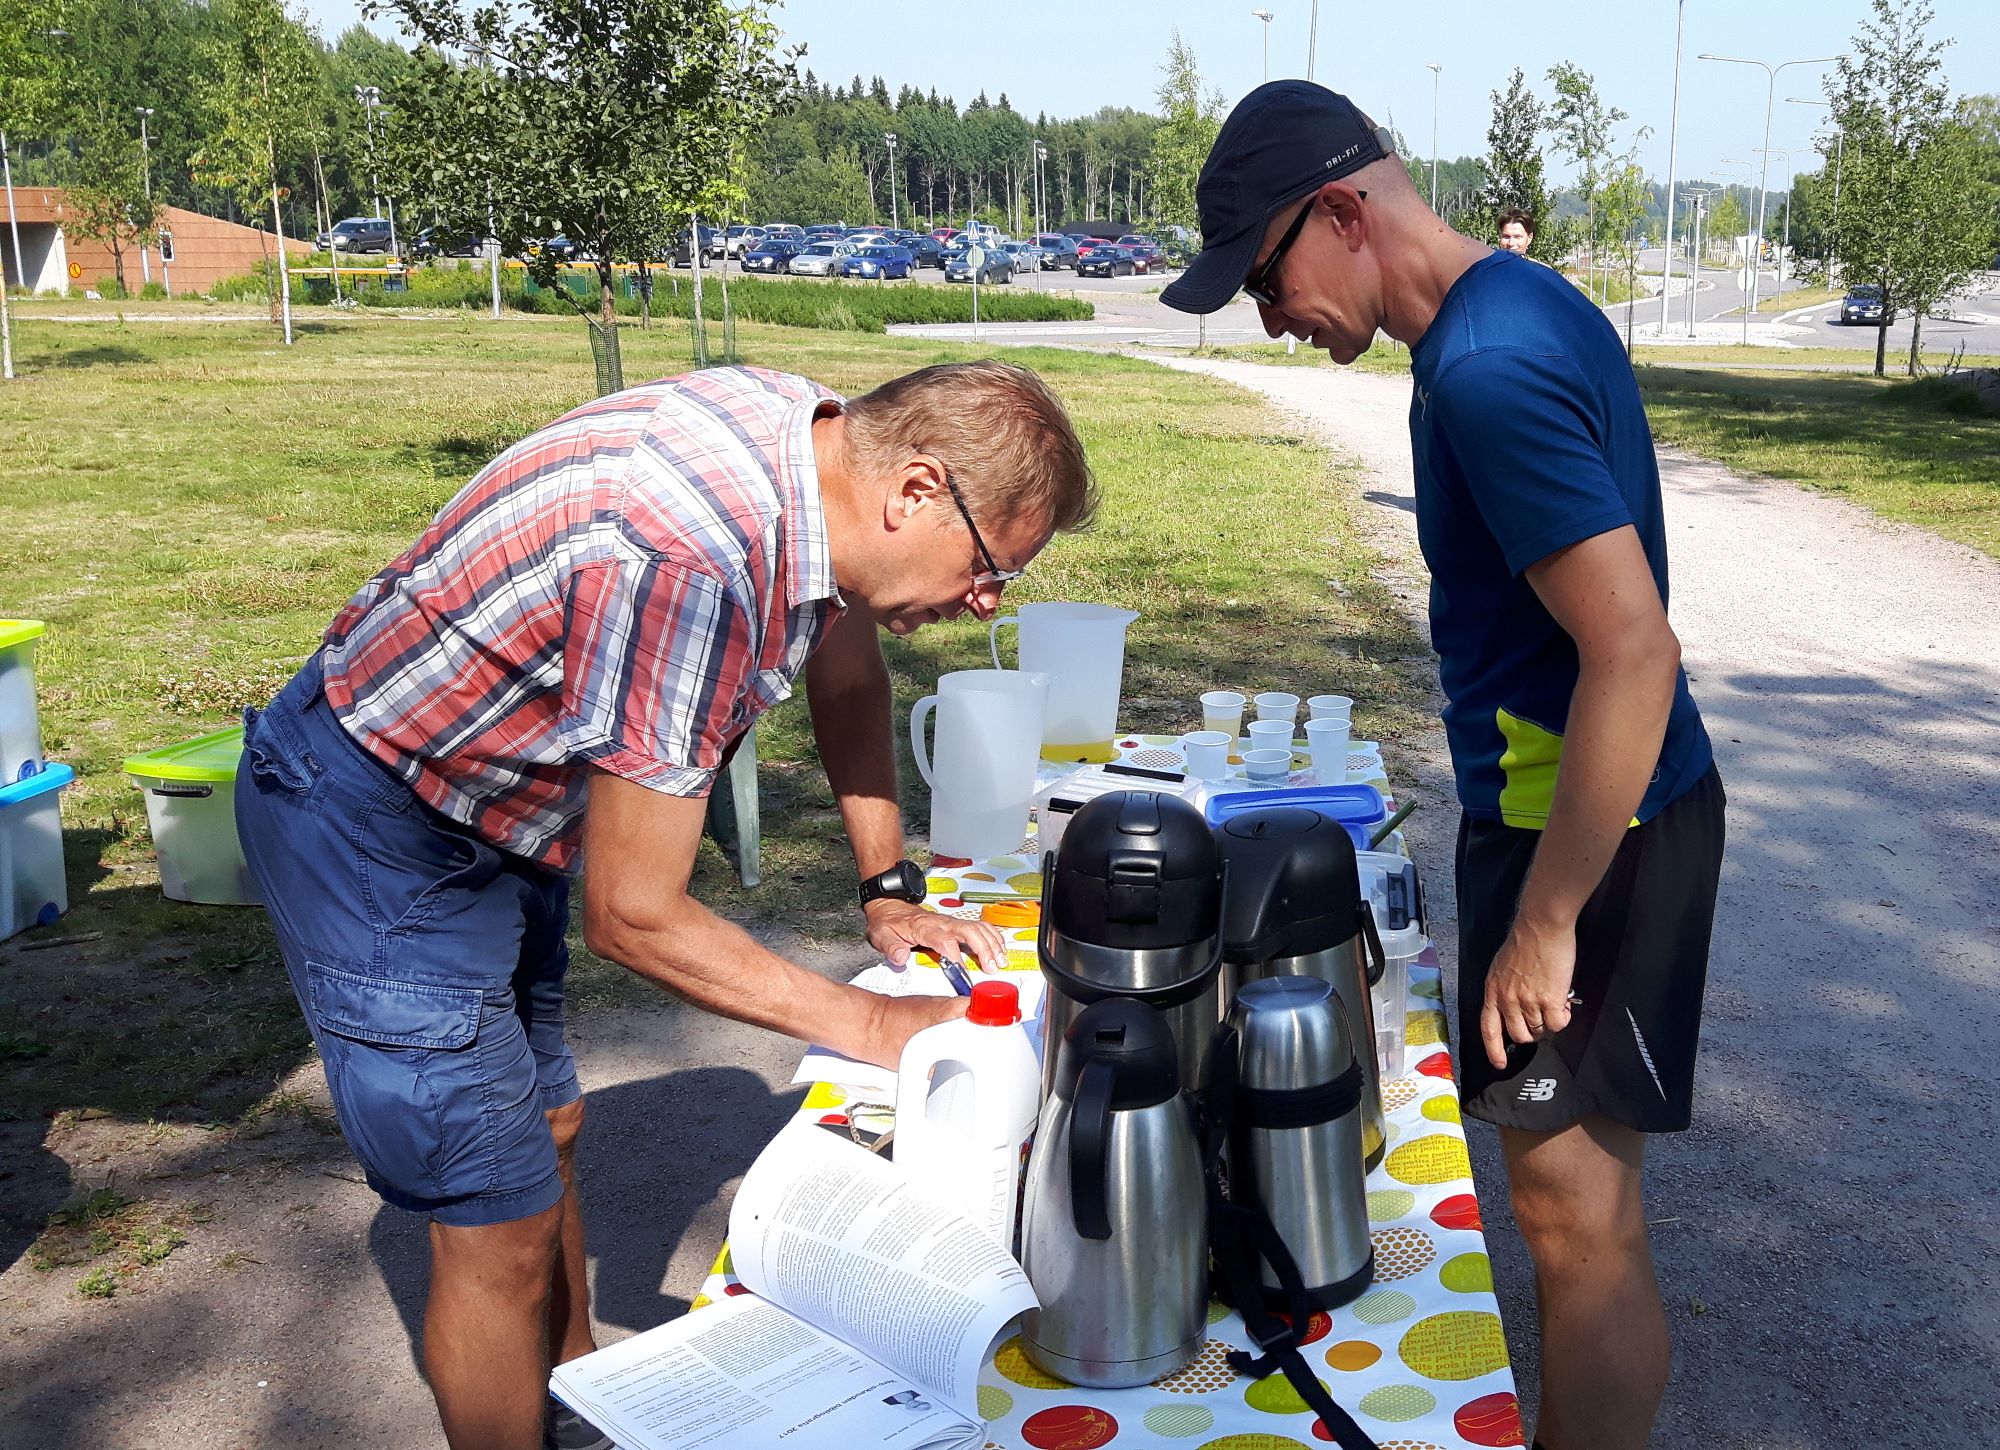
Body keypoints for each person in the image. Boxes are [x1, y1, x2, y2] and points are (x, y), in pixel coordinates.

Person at [234, 361, 1097, 1450]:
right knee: (491, 1228)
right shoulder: (689, 558)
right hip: (378, 816)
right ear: (916, 490)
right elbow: (634, 913)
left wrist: (885, 890)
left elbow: (844, 673)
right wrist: (874, 1025)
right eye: (990, 569)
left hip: (501, 800)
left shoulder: (827, 454)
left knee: (546, 1124)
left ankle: (580, 1391)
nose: (983, 603)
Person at [1162, 82, 1723, 1450]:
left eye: (1263, 272)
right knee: (1589, 1210)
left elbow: (1632, 652)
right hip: (1581, 807)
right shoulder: (1515, 307)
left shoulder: (1482, 364)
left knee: (1571, 1219)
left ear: (1344, 210)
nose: (1267, 314)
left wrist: (1541, 925)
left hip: (1583, 828)